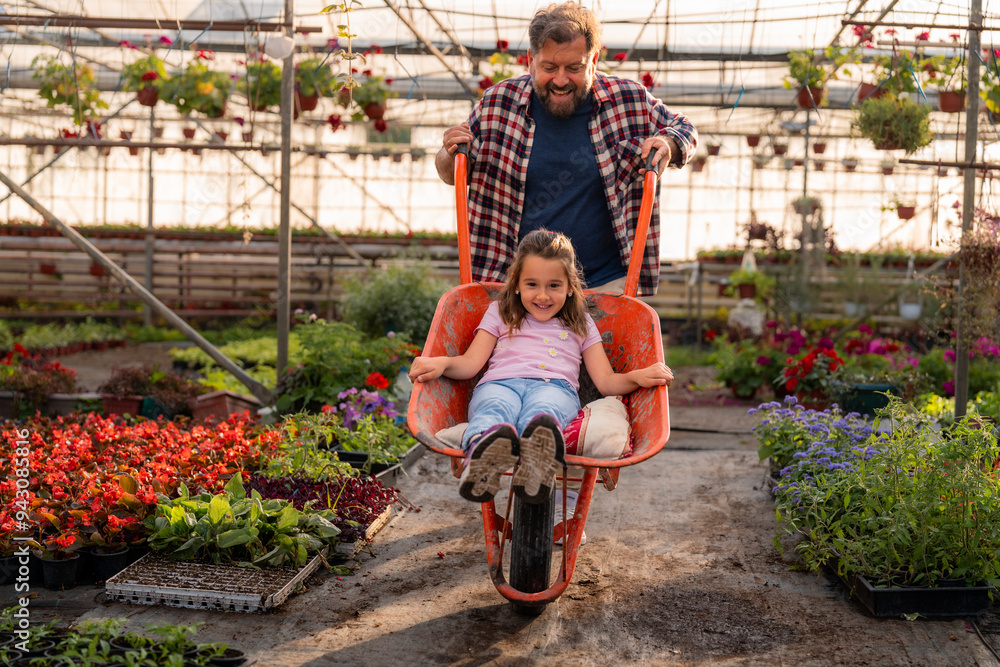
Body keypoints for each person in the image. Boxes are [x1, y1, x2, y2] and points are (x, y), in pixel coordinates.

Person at [435, 1, 698, 297]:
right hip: (515, 285)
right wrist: (448, 153)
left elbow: (685, 129)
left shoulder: (629, 101)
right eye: (549, 67)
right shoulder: (498, 104)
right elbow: (453, 170)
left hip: (603, 285)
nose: (561, 80)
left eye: (574, 68)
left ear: (594, 60)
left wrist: (669, 143)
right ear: (531, 60)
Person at [407, 230, 673, 513]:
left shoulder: (580, 323)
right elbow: (472, 363)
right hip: (500, 384)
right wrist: (443, 363)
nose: (543, 295)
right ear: (517, 284)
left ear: (571, 286)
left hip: (555, 388)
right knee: (494, 408)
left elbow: (606, 382)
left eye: (554, 286)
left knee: (544, 413)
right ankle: (485, 460)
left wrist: (637, 376)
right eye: (532, 284)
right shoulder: (501, 312)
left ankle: (536, 463)